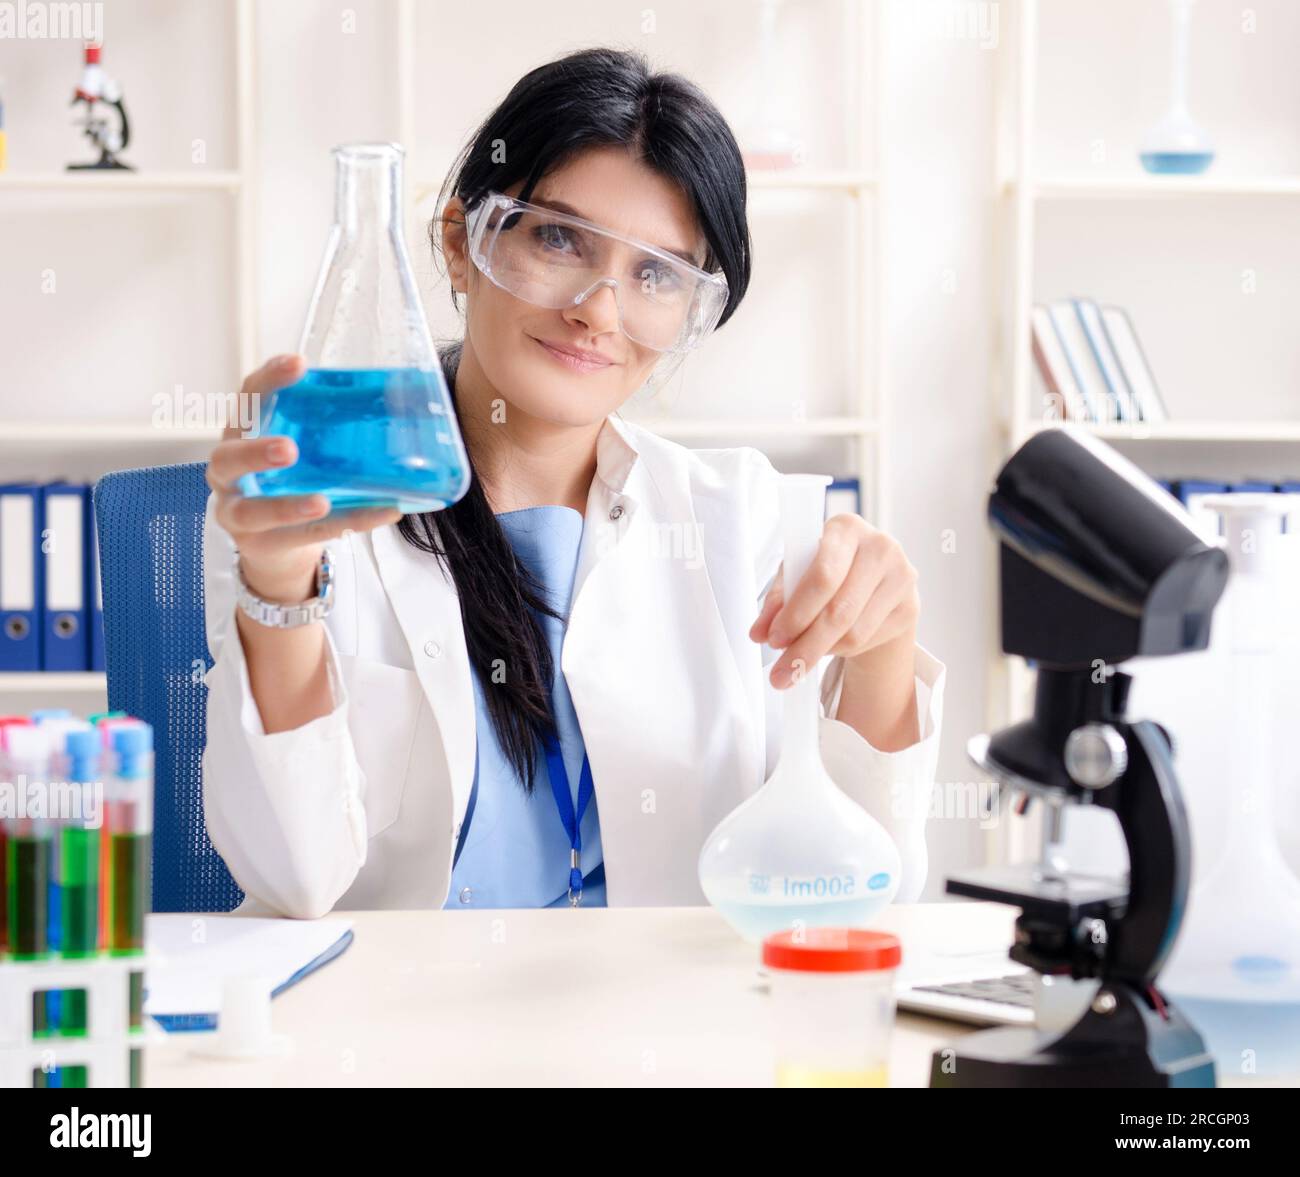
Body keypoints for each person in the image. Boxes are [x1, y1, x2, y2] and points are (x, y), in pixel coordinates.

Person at [200, 47, 946, 919]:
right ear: (462, 242)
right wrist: (279, 587)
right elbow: (293, 877)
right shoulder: (319, 511)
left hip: (657, 1038)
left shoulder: (741, 520)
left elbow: (865, 895)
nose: (599, 309)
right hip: (396, 1036)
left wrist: (883, 646)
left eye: (655, 275)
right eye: (558, 238)